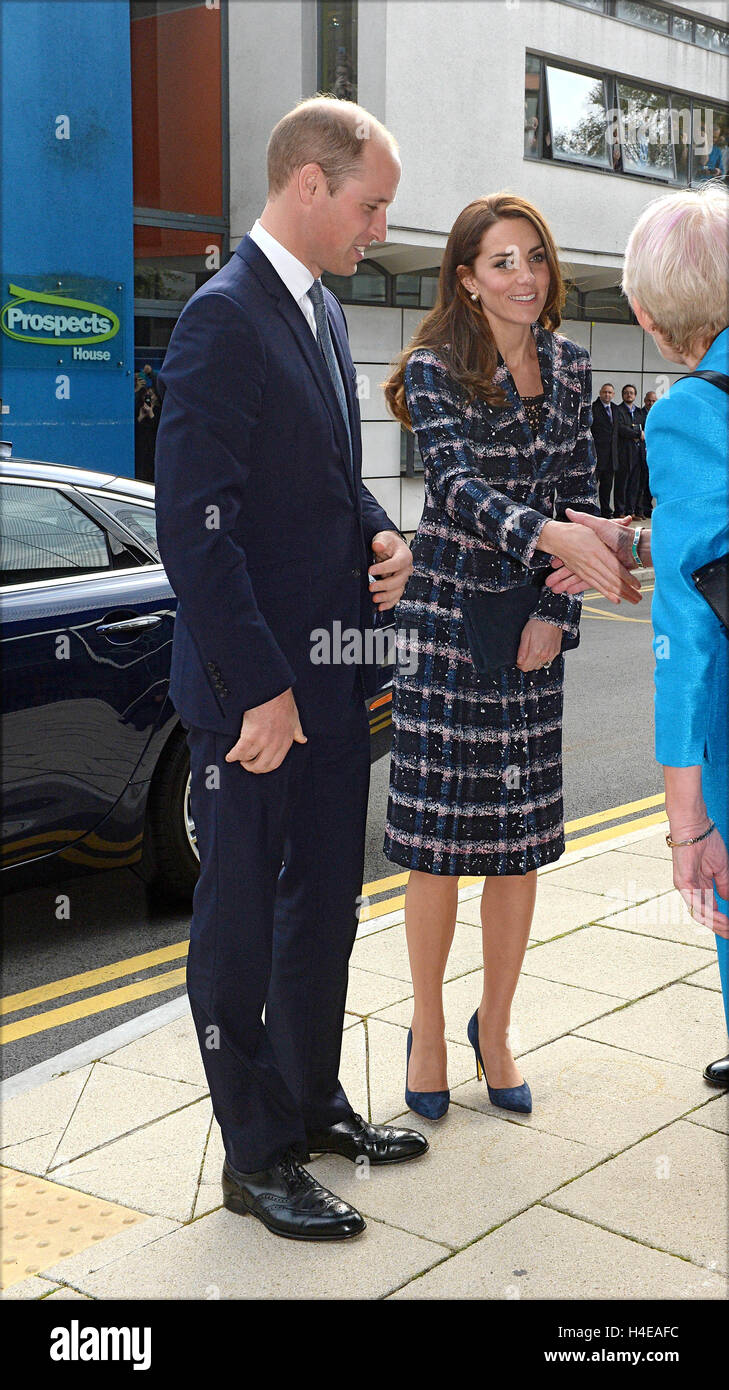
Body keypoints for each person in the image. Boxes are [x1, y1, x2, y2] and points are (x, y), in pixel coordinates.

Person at [154, 96, 427, 1244]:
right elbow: (193, 527)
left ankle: (312, 1106)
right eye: (371, 207)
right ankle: (255, 1158)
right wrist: (260, 686)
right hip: (256, 699)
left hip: (328, 681)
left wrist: (384, 536)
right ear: (309, 185)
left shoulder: (312, 313)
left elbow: (321, 474)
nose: (376, 230)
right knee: (238, 931)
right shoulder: (222, 317)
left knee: (327, 906)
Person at [381, 193, 640, 1121]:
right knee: (439, 845)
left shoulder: (572, 368)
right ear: (465, 278)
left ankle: (495, 1027)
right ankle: (422, 1023)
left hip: (531, 630)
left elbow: (578, 494)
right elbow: (451, 488)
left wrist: (556, 612)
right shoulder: (433, 368)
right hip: (446, 626)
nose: (523, 275)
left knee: (518, 845)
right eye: (500, 261)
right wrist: (555, 543)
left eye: (533, 257)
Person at [546, 183, 729, 1089]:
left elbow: (688, 633)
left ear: (653, 319)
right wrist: (644, 539)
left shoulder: (690, 410)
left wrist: (685, 823)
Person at [614, 382, 644, 517]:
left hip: (637, 453)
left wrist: (638, 433)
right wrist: (637, 434)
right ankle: (620, 511)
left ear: (635, 395)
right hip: (624, 452)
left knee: (634, 484)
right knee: (622, 483)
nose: (629, 395)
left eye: (631, 393)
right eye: (626, 393)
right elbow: (621, 429)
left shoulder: (639, 412)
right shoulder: (618, 410)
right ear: (622, 395)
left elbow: (643, 429)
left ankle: (630, 512)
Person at [591, 381, 618, 517]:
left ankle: (606, 511)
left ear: (613, 395)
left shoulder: (616, 409)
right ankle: (593, 511)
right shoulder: (593, 408)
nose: (607, 394)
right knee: (592, 486)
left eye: (609, 392)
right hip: (596, 455)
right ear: (600, 393)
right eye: (604, 392)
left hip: (611, 457)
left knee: (607, 487)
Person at [636, 389, 657, 518]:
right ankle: (640, 509)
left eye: (653, 401)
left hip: (654, 453)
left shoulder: (659, 414)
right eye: (648, 400)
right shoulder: (639, 414)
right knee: (641, 483)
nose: (650, 403)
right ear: (644, 401)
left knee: (650, 483)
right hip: (640, 452)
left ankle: (648, 509)